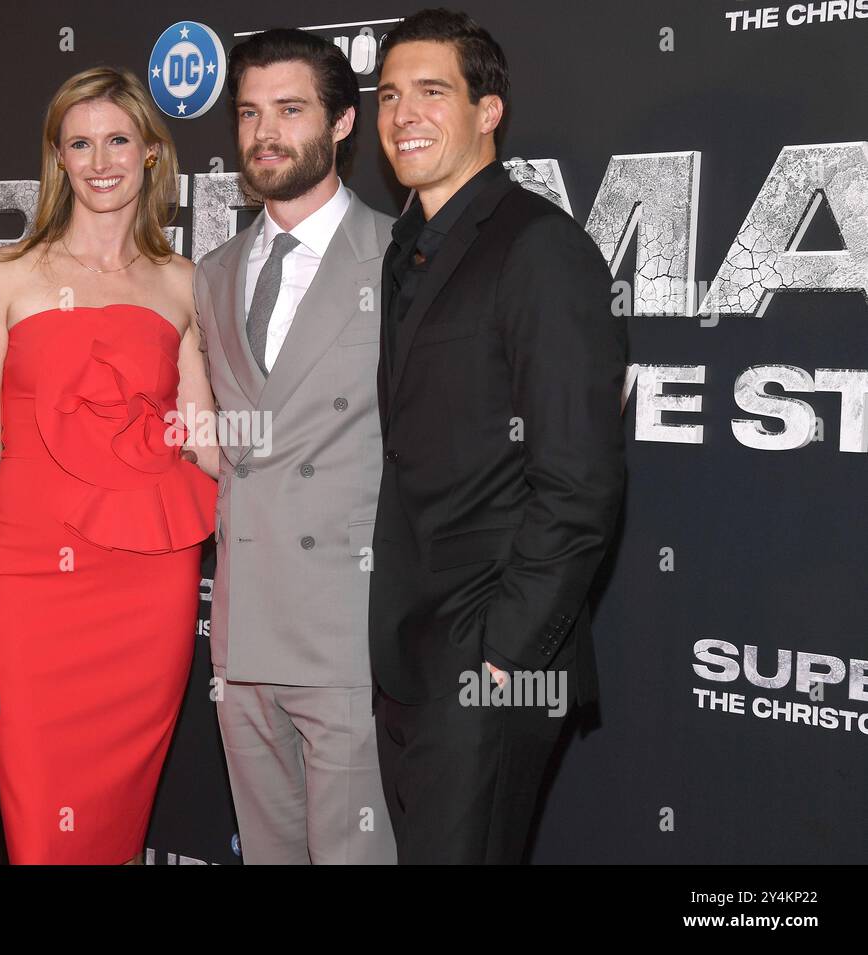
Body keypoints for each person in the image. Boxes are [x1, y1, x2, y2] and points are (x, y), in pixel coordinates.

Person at [0, 66, 218, 865]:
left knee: (115, 821)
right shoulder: (3, 277)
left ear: (152, 154)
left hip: (147, 585)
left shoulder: (184, 285)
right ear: (57, 158)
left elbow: (206, 440)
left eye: (118, 140)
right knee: (40, 824)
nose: (100, 161)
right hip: (28, 580)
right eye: (79, 142)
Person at [369, 8, 627, 863]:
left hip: (490, 660)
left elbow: (579, 484)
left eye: (432, 91)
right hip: (409, 652)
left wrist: (505, 657)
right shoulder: (406, 250)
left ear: (489, 112)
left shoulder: (542, 250)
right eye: (391, 94)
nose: (404, 113)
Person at [192, 29, 397, 865]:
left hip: (349, 628)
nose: (265, 134)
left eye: (289, 110)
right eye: (249, 113)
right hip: (241, 632)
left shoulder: (400, 257)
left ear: (343, 122)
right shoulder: (213, 270)